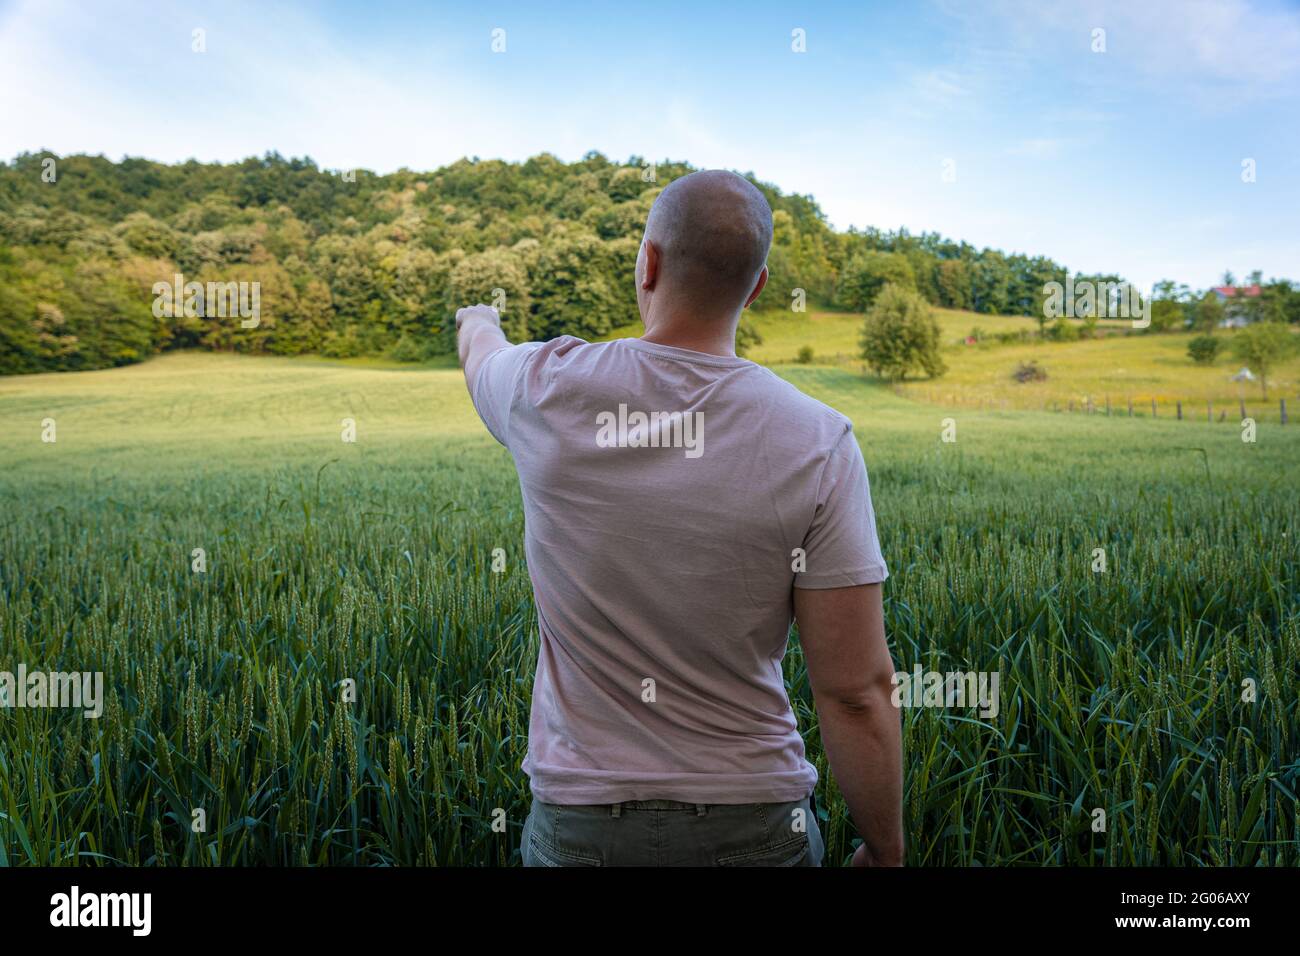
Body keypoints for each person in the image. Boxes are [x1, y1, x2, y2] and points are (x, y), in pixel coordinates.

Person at [456, 169, 902, 867]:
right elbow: (853, 691)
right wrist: (885, 849)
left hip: (582, 824)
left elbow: (483, 357)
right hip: (756, 824)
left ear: (648, 263)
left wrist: (477, 318)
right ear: (755, 289)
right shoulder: (819, 439)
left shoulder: (544, 386)